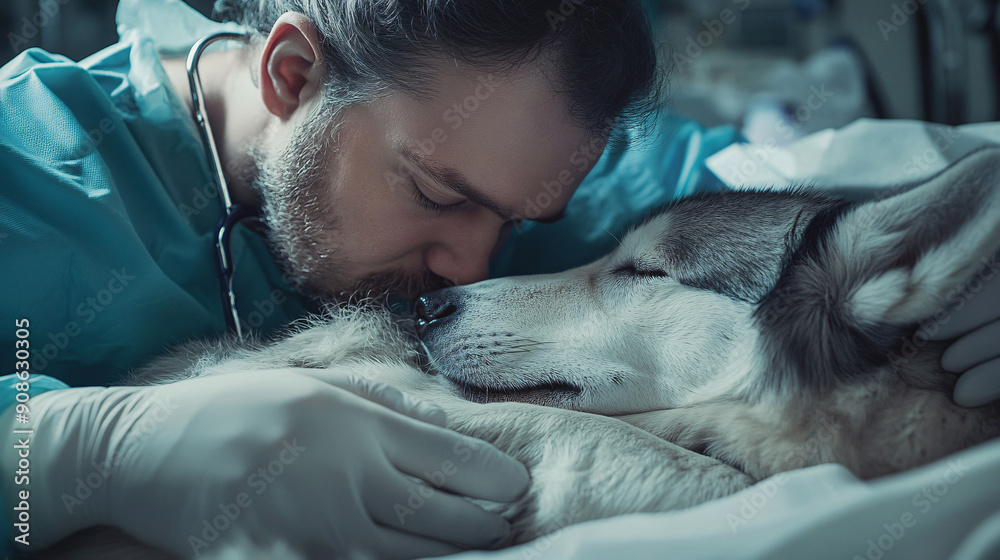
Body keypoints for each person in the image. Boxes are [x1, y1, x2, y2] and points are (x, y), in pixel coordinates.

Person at [1, 0, 998, 558]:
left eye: (521, 221)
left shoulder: (550, 162)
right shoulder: (26, 176)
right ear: (291, 74)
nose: (474, 263)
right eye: (438, 192)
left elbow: (794, 200)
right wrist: (81, 449)